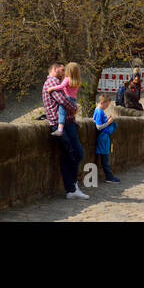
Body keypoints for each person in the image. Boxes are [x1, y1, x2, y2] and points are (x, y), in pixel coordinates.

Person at [43, 61, 87, 200]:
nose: (64, 73)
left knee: (75, 153)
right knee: (70, 153)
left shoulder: (60, 82)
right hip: (59, 123)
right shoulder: (51, 82)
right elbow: (63, 101)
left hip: (68, 123)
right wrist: (74, 108)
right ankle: (72, 188)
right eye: (62, 70)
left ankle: (72, 187)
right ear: (55, 69)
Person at [45, 61, 81, 136]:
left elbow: (61, 87)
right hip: (74, 99)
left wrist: (52, 88)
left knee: (61, 113)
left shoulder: (67, 79)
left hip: (67, 98)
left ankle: (60, 129)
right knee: (70, 112)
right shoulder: (77, 81)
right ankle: (74, 122)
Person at [93, 95, 121, 182]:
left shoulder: (99, 111)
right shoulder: (99, 111)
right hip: (103, 137)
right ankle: (109, 177)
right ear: (102, 103)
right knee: (105, 159)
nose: (107, 107)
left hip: (104, 137)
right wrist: (108, 123)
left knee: (105, 158)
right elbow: (98, 127)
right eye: (107, 105)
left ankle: (109, 176)